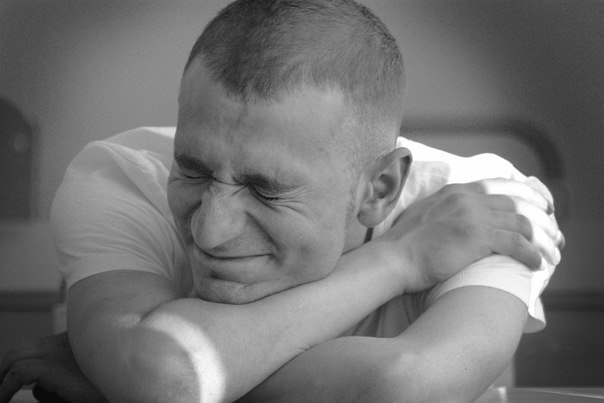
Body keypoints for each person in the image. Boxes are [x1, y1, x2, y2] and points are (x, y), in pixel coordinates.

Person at [0, 1, 564, 402]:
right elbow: (163, 380)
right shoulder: (120, 176)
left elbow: (406, 384)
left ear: (380, 189)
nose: (211, 230)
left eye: (266, 189)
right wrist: (400, 259)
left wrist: (117, 380)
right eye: (192, 170)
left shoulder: (483, 207)